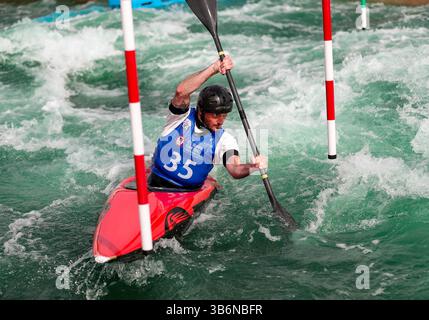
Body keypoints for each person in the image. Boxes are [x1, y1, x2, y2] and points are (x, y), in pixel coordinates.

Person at [148, 55, 267, 190]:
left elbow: (235, 170)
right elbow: (181, 91)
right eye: (216, 115)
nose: (221, 121)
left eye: (224, 115)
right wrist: (214, 68)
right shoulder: (180, 118)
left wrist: (253, 167)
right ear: (201, 111)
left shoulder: (224, 140)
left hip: (186, 194)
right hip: (153, 184)